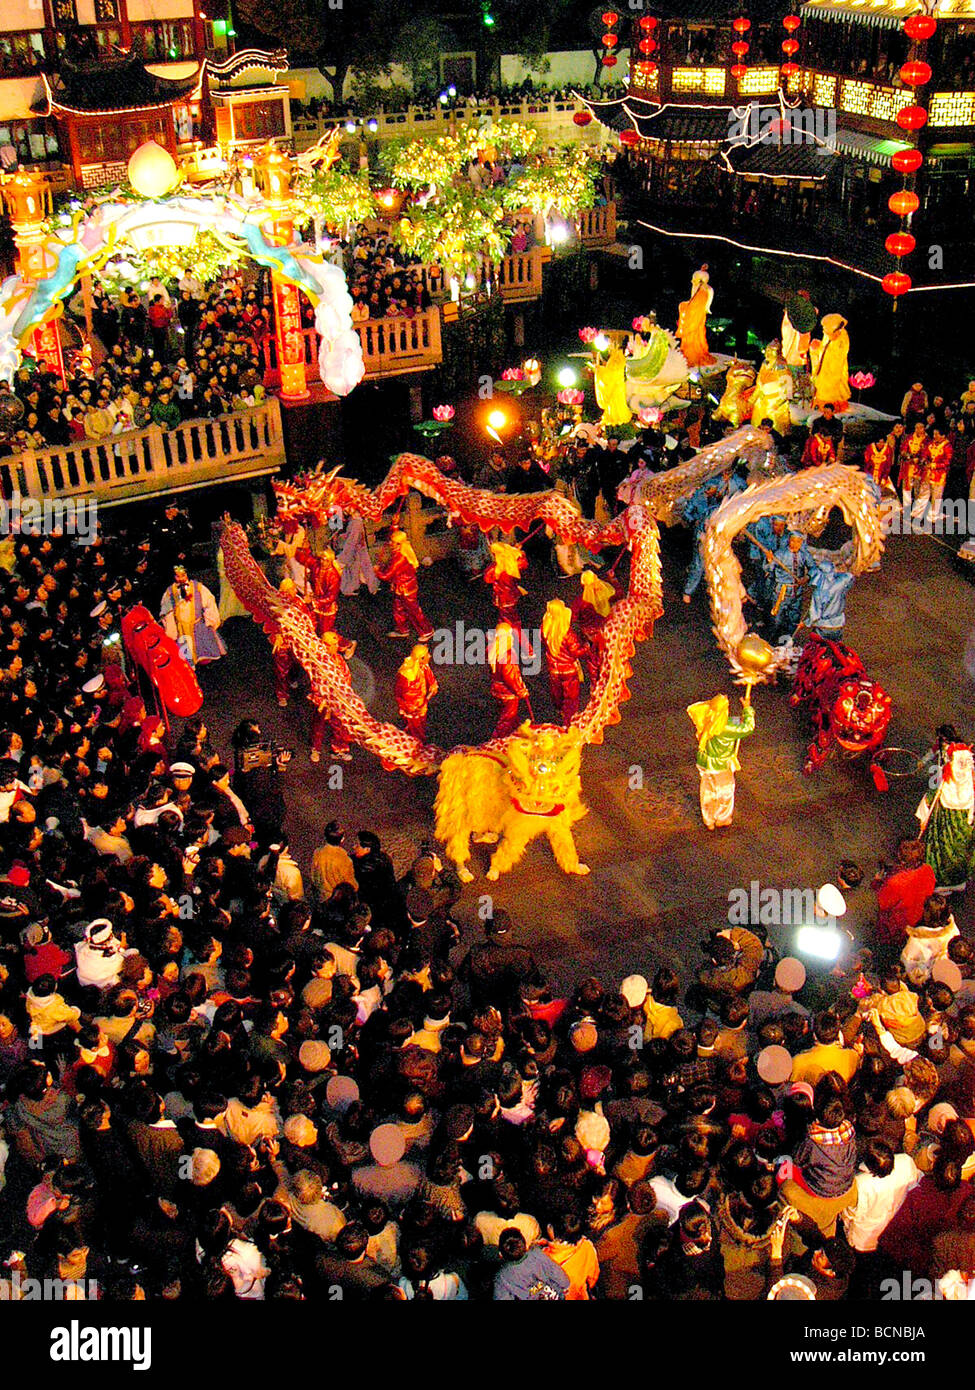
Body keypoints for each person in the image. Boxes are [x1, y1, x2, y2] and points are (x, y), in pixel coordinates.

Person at [687, 693, 755, 829]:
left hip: (705, 763)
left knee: (707, 790)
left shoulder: (708, 719)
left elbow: (732, 722)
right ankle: (722, 818)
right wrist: (748, 710)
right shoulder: (726, 728)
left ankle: (708, 819)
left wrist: (740, 718)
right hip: (720, 765)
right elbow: (748, 728)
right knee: (725, 791)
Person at [916, 742, 975, 891]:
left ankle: (936, 882)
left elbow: (927, 803)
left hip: (941, 830)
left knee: (938, 854)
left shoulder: (943, 788)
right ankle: (956, 883)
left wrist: (923, 820)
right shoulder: (971, 787)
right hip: (964, 831)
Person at [160, 566, 226, 667]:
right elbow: (167, 613)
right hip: (182, 629)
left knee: (203, 647)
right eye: (178, 576)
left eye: (183, 575)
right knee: (185, 652)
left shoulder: (198, 588)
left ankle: (205, 663)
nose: (181, 578)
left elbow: (209, 602)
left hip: (198, 625)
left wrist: (211, 619)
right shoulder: (170, 593)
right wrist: (171, 629)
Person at [541, 598, 591, 726]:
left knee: (557, 693)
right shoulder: (567, 634)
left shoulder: (545, 628)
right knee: (571, 697)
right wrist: (586, 646)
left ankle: (561, 711)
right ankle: (569, 722)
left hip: (554, 668)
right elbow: (576, 652)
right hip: (568, 670)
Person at [375, 530, 433, 640]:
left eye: (392, 542)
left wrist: (377, 571)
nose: (390, 544)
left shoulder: (399, 558)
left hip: (406, 588)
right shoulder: (400, 552)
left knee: (413, 610)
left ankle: (427, 630)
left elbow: (386, 575)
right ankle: (402, 629)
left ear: (398, 544)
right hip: (401, 586)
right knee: (398, 608)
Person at [489, 622, 530, 739]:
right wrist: (520, 690)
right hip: (508, 692)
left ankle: (512, 734)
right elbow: (510, 677)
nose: (512, 638)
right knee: (507, 718)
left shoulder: (494, 650)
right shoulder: (507, 656)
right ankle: (498, 739)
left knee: (509, 716)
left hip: (498, 690)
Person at [394, 644, 438, 743]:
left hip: (421, 703)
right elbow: (408, 696)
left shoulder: (422, 666)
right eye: (427, 655)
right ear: (421, 658)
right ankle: (417, 743)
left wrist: (432, 688)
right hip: (414, 707)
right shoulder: (409, 677)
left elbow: (431, 679)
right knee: (415, 727)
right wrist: (418, 706)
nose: (430, 656)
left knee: (420, 724)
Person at [676, 265, 715, 368]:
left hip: (697, 314)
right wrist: (685, 305)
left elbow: (705, 304)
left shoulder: (708, 290)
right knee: (691, 332)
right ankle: (689, 351)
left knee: (696, 331)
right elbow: (692, 299)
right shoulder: (698, 288)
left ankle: (695, 352)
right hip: (693, 313)